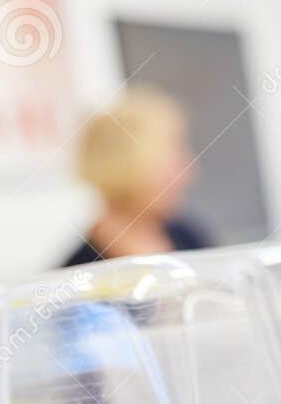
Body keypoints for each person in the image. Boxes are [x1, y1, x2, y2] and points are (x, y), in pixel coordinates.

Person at [60, 85, 212, 268]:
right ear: (126, 170)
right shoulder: (79, 273)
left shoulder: (189, 237)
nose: (190, 173)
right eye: (172, 164)